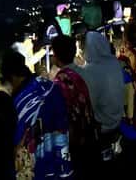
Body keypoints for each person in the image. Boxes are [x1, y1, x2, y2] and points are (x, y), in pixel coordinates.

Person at [1, 50, 74, 180]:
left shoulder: (19, 102)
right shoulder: (51, 86)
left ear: (12, 77)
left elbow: (18, 143)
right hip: (60, 159)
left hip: (37, 169)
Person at [71, 31, 125, 161]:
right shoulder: (114, 63)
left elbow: (90, 104)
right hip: (117, 119)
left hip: (103, 126)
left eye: (82, 49)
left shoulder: (90, 71)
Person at [51, 35, 98, 177]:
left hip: (75, 140)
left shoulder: (61, 80)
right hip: (89, 134)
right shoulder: (83, 73)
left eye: (53, 53)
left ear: (57, 56)